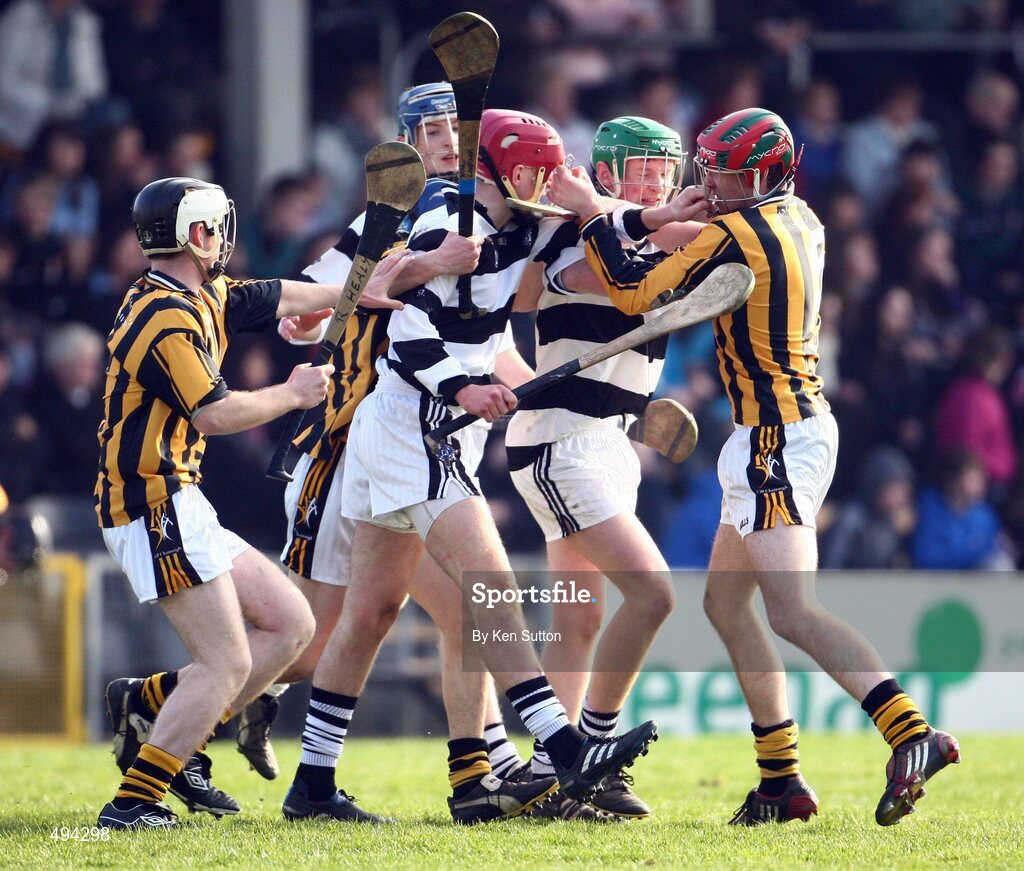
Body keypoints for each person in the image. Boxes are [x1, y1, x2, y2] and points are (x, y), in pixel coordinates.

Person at [547, 107, 961, 826]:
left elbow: (633, 292)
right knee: (724, 604)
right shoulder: (802, 217)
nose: (711, 181)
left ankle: (911, 733)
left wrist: (591, 209)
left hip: (774, 434)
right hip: (783, 427)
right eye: (707, 166)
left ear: (766, 174)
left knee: (794, 609)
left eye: (728, 173)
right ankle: (780, 781)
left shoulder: (737, 234)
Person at [314, 108, 660, 823]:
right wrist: (466, 383)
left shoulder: (518, 218)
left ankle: (313, 785)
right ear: (500, 168)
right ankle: (563, 750)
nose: (542, 185)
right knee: (493, 597)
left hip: (413, 431)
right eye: (531, 172)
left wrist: (657, 214)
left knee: (372, 612)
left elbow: (591, 234)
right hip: (414, 427)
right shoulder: (451, 221)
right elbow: (407, 337)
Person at [94, 176, 405, 830]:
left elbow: (278, 292)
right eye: (217, 228)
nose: (226, 240)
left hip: (180, 497)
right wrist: (294, 393)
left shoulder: (200, 290)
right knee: (228, 660)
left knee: (292, 625)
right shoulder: (165, 316)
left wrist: (357, 292)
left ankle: (147, 700)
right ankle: (134, 800)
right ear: (198, 235)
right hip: (150, 501)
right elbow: (215, 413)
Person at [504, 116, 697, 820]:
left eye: (664, 169)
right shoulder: (572, 230)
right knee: (653, 592)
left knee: (579, 619)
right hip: (562, 442)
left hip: (608, 443)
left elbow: (668, 240)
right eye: (642, 167)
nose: (657, 182)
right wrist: (615, 212)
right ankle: (592, 754)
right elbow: (613, 276)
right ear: (604, 170)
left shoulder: (641, 228)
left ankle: (547, 774)